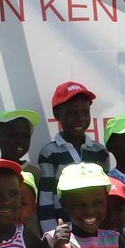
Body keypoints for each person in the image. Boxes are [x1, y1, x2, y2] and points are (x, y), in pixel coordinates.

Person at [36, 81, 109, 232]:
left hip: (96, 228)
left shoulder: (100, 151)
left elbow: (106, 194)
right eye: (72, 113)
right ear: (57, 114)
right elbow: (46, 196)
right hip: (64, 230)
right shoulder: (49, 153)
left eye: (85, 112)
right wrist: (50, 233)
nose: (80, 119)